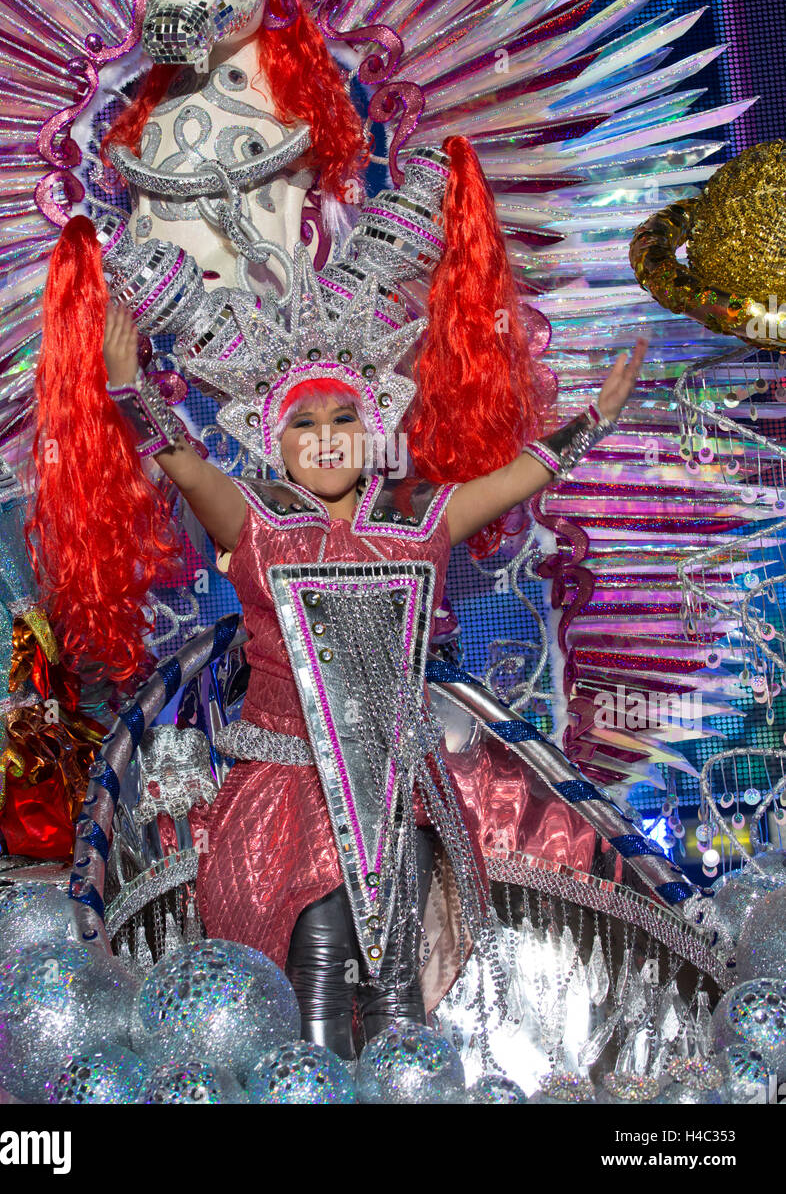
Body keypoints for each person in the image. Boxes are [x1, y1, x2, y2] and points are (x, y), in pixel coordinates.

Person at [100, 276, 647, 1059]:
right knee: (312, 980)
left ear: (371, 429)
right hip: (290, 798)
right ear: (272, 440)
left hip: (400, 796)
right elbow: (186, 465)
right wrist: (130, 392)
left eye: (344, 418)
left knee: (398, 988)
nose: (326, 437)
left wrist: (594, 420)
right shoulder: (256, 525)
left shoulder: (416, 525)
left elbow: (520, 477)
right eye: (304, 423)